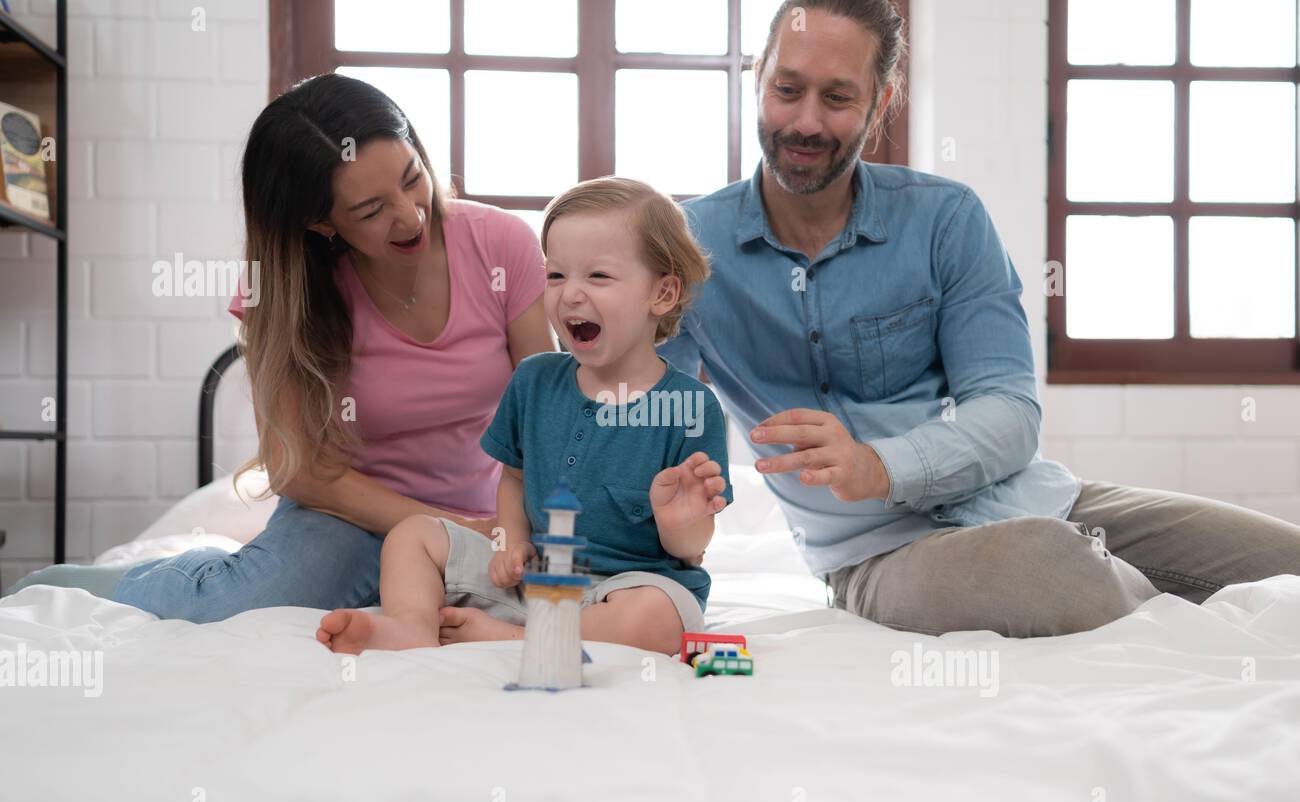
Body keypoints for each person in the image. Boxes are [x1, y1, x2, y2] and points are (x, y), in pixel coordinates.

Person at [659, 0, 1300, 637]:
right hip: (879, 555)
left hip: (1040, 500)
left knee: (1286, 561)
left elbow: (1010, 413)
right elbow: (653, 426)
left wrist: (880, 465)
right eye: (787, 89)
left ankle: (1152, 603)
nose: (804, 121)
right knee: (1055, 567)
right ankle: (1193, 636)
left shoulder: (945, 219)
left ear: (880, 105)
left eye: (837, 98)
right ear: (757, 81)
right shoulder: (689, 247)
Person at [9, 74, 554, 621]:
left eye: (413, 179)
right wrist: (452, 529)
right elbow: (302, 471)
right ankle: (93, 581)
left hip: (492, 517)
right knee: (245, 602)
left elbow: (545, 418)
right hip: (348, 518)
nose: (411, 215)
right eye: (370, 210)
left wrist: (512, 525)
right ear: (320, 223)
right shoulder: (280, 285)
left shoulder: (501, 244)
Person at [316, 177, 731, 656]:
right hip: (533, 581)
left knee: (661, 616)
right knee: (413, 535)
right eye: (555, 275)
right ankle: (411, 626)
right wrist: (510, 541)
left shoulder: (690, 407)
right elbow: (512, 477)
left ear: (662, 294)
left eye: (597, 276)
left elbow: (690, 549)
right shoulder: (534, 380)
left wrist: (680, 519)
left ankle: (510, 637)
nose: (569, 294)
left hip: (626, 589)